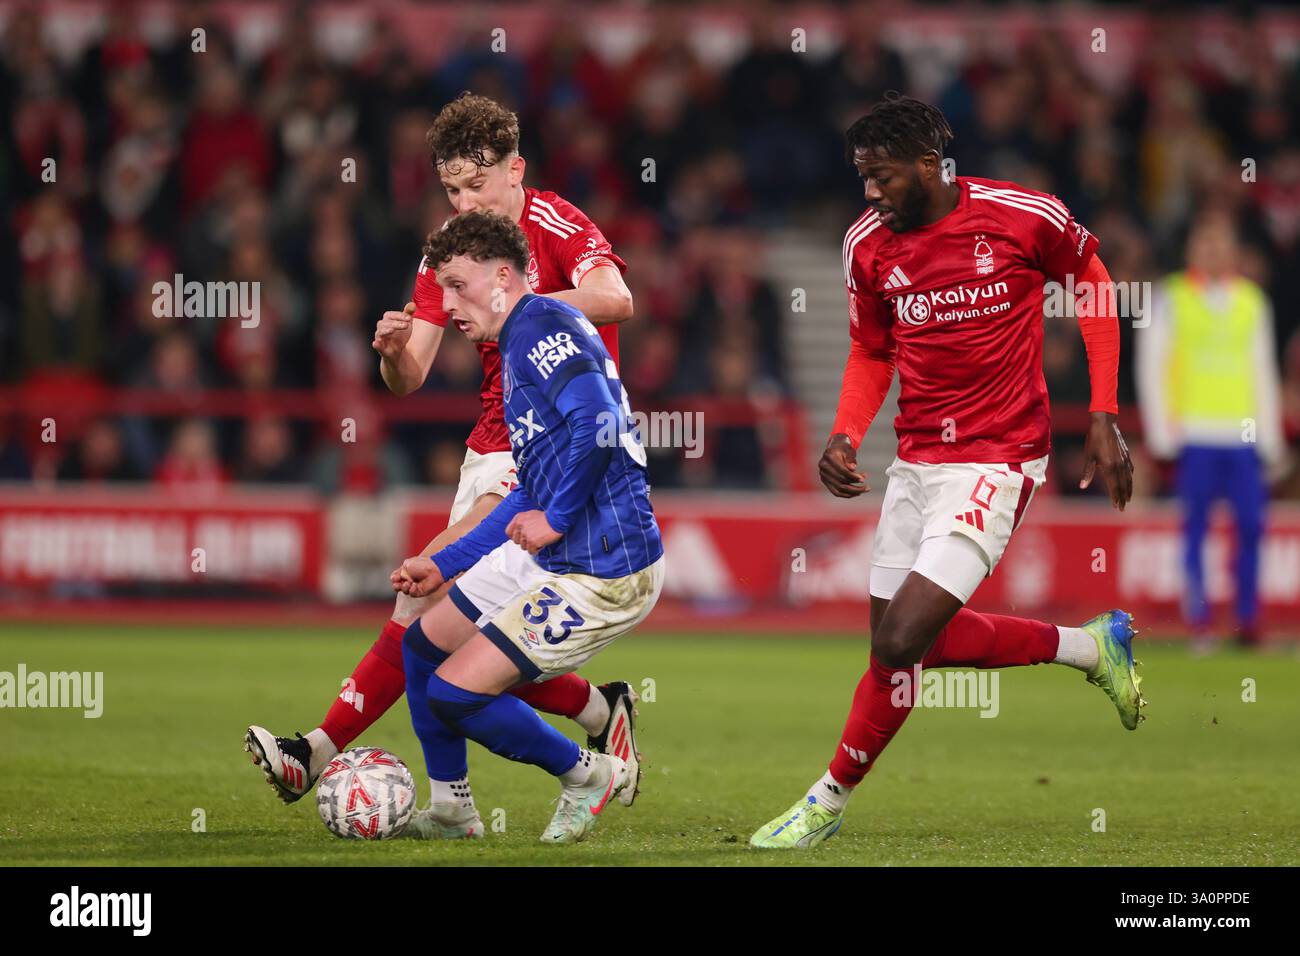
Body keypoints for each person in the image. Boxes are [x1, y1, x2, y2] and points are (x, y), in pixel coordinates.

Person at [751, 93, 1144, 850]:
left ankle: (823, 803)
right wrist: (843, 433)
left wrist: (1102, 410)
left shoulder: (1022, 214)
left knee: (899, 645)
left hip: (997, 459)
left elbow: (1092, 280)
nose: (870, 192)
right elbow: (872, 349)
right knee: (896, 647)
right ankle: (1093, 647)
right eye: (863, 176)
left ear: (930, 167)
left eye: (884, 176)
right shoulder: (866, 245)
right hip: (916, 460)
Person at [245, 93, 640, 836]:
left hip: (546, 447)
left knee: (425, 607)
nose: (463, 202)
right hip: (489, 444)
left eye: (477, 186)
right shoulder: (447, 251)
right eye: (451, 188)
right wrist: (395, 353)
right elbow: (412, 376)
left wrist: (517, 301)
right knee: (462, 636)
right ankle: (580, 719)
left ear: (514, 171)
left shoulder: (554, 225)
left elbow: (618, 297)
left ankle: (320, 751)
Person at [393, 211, 664, 844]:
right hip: (561, 552)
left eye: (458, 285)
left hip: (605, 568)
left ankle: (587, 773)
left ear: (504, 274)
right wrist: (448, 560)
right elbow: (529, 493)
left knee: (454, 694)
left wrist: (560, 517)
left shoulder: (540, 327)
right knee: (422, 648)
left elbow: (598, 422)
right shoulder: (518, 340)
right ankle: (454, 810)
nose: (448, 302)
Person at [1137, 211, 1286, 649]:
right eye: (1206, 242)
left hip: (1241, 436)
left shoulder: (1252, 301)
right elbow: (1152, 366)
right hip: (1195, 433)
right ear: (1191, 250)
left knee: (1252, 527)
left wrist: (1270, 438)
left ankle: (1246, 621)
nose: (1214, 251)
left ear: (1234, 251)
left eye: (1221, 242)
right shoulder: (1171, 297)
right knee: (1196, 530)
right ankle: (1199, 622)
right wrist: (1163, 432)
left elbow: (1262, 371)